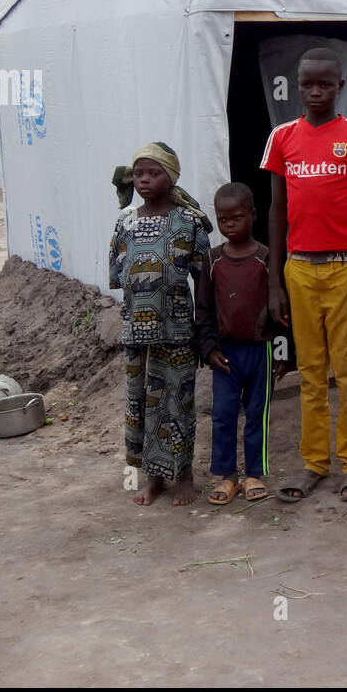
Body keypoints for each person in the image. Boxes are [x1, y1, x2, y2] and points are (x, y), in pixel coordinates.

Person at [262, 48, 347, 503]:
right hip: (299, 270)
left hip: (346, 268)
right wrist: (274, 282)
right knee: (310, 373)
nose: (315, 92)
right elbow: (276, 211)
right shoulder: (282, 137)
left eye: (324, 84)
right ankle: (314, 462)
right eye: (307, 84)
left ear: (339, 87)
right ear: (297, 87)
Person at [107, 142, 211, 506]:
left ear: (172, 177)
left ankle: (184, 476)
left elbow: (205, 278)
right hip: (137, 332)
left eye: (154, 173)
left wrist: (204, 328)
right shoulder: (125, 222)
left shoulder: (191, 222)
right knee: (142, 404)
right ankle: (154, 478)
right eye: (139, 174)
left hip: (179, 331)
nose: (145, 180)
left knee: (177, 404)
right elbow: (119, 277)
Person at [194, 182, 287, 504]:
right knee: (222, 413)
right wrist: (208, 350)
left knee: (257, 413)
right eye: (223, 219)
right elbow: (203, 309)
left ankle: (254, 475)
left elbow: (281, 311)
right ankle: (227, 475)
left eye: (236, 217)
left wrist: (283, 352)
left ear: (253, 215)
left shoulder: (266, 258)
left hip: (260, 350)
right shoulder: (212, 260)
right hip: (225, 353)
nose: (230, 224)